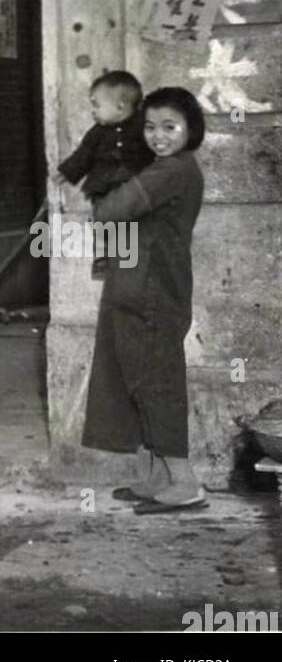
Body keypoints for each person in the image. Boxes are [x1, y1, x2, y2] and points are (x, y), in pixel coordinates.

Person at [82, 86, 208, 513]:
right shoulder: (165, 167)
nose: (159, 136)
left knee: (156, 385)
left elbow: (111, 211)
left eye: (170, 127)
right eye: (151, 127)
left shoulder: (171, 170)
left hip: (153, 292)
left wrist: (100, 191)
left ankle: (185, 482)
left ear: (191, 129)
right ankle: (155, 479)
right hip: (140, 286)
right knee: (137, 381)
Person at [58, 70, 153, 279]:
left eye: (97, 105)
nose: (93, 111)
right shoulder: (97, 132)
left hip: (133, 186)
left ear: (120, 107)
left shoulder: (143, 129)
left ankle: (135, 257)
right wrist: (66, 172)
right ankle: (103, 258)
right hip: (103, 187)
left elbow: (156, 150)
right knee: (103, 224)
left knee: (137, 224)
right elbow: (83, 155)